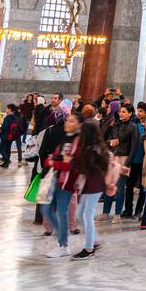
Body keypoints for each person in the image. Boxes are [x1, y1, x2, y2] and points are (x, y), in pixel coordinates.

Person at [41, 110, 83, 257]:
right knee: (46, 209)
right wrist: (58, 161)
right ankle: (63, 238)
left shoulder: (79, 141)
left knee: (61, 212)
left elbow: (72, 165)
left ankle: (63, 245)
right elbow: (51, 158)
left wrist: (57, 162)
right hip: (56, 179)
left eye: (72, 121)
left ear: (79, 125)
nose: (68, 123)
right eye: (68, 120)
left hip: (68, 182)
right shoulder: (66, 138)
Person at [68, 121, 110, 260]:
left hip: (94, 185)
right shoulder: (91, 147)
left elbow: (86, 166)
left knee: (86, 216)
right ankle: (95, 240)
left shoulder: (93, 149)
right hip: (89, 185)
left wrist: (72, 161)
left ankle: (89, 248)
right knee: (81, 215)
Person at [102, 103, 138, 219]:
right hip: (113, 157)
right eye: (120, 111)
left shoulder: (133, 127)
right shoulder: (115, 125)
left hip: (124, 158)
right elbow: (107, 140)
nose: (121, 114)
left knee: (120, 187)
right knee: (108, 184)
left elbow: (134, 146)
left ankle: (117, 213)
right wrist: (111, 142)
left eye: (124, 112)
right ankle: (105, 212)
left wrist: (127, 164)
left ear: (130, 113)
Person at [0, 104, 25, 168]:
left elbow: (4, 127)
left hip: (6, 135)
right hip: (12, 135)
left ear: (10, 109)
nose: (6, 109)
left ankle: (7, 161)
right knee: (8, 149)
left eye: (7, 108)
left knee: (1, 149)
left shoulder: (8, 117)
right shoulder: (15, 117)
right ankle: (6, 163)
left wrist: (0, 129)